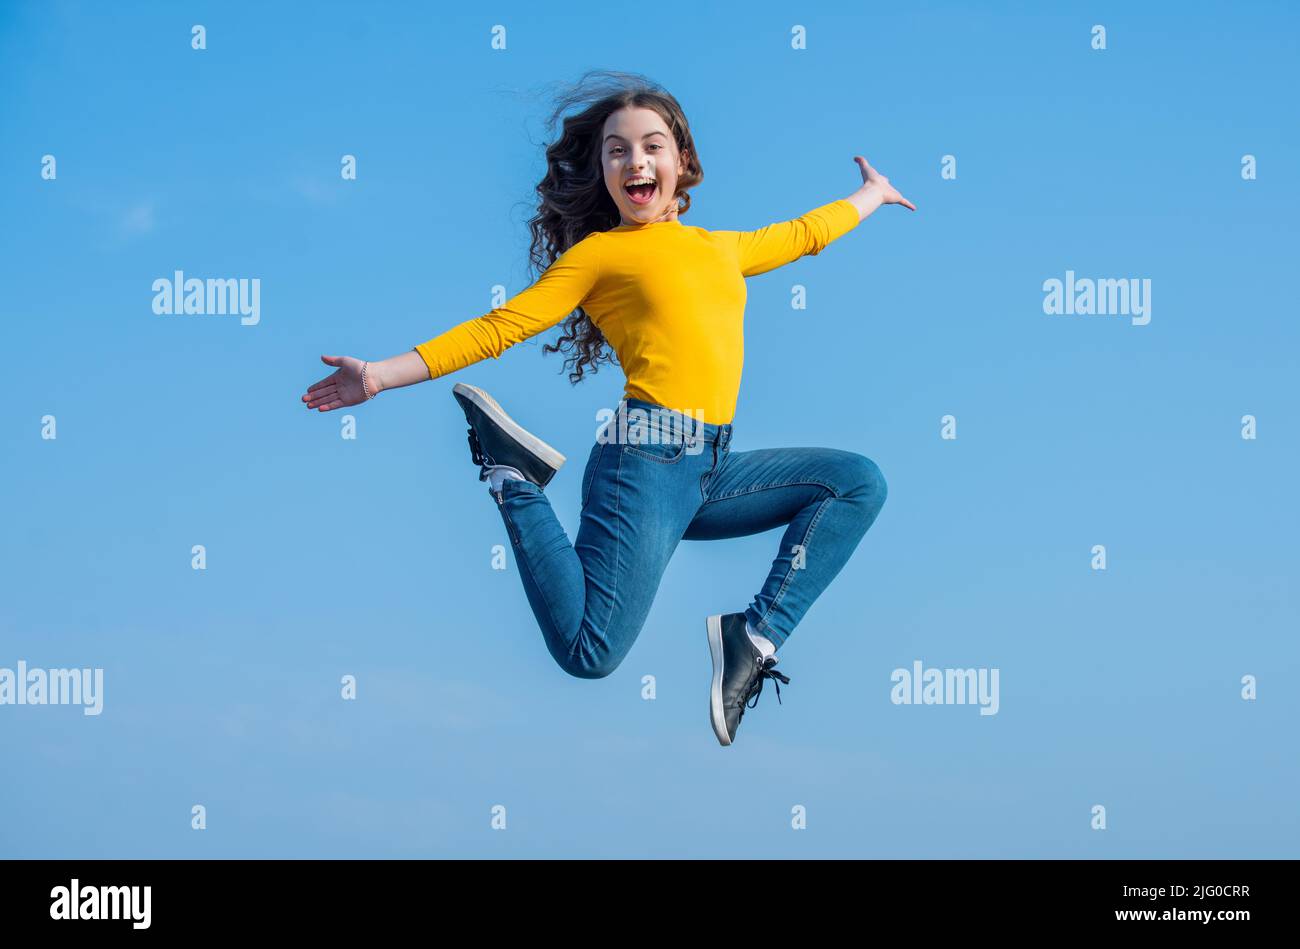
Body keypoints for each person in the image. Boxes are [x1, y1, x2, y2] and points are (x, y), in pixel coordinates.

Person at [300, 71, 914, 746]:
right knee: (589, 652)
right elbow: (501, 326)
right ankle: (513, 478)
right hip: (643, 462)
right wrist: (380, 376)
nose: (634, 161)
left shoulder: (723, 248)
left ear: (681, 160)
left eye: (651, 145)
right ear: (602, 170)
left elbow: (805, 233)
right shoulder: (600, 255)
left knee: (856, 482)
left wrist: (871, 194)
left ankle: (753, 634)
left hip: (709, 469)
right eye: (616, 151)